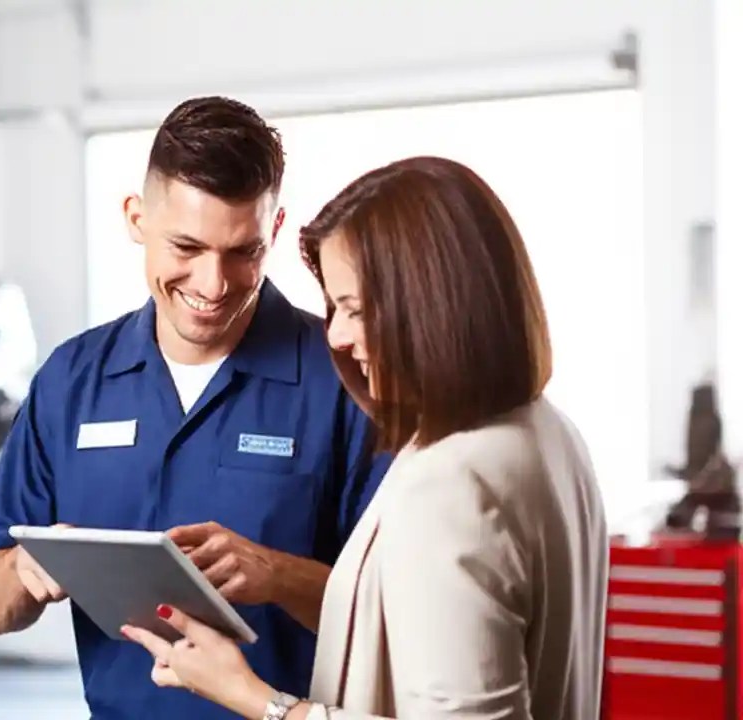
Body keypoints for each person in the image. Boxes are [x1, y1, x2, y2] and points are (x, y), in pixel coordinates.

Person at [122, 156, 609, 719]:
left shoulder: (449, 484)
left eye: (353, 309)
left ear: (432, 305)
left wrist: (254, 697)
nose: (339, 336)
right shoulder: (547, 433)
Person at [0, 96, 390, 719]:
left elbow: (397, 617)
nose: (213, 284)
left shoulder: (344, 379)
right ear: (137, 218)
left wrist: (277, 574)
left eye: (242, 251)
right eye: (186, 247)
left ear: (273, 232)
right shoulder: (71, 380)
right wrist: (27, 571)